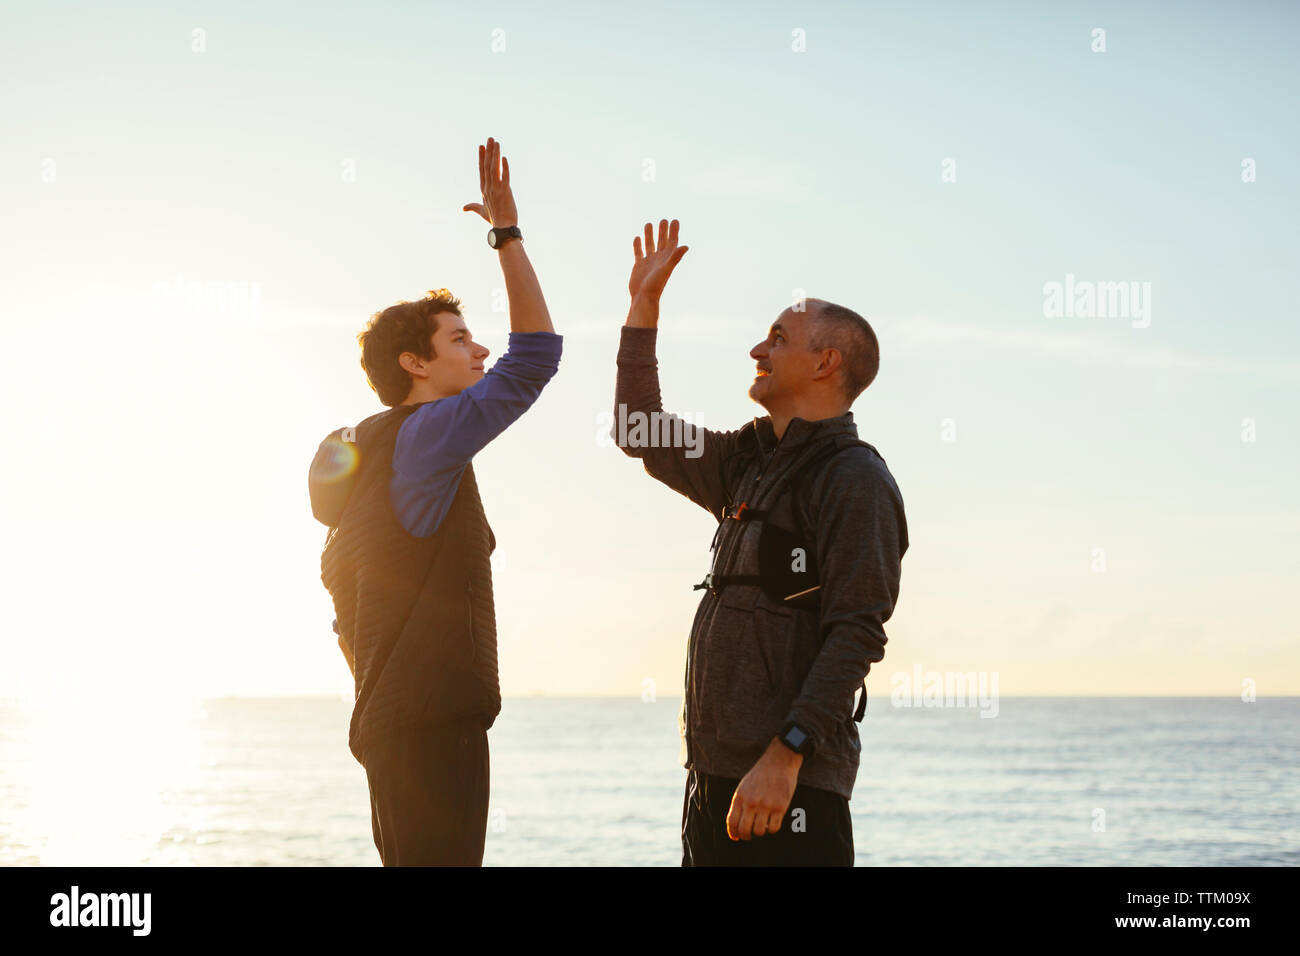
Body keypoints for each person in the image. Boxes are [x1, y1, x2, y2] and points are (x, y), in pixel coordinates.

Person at [611, 219, 908, 866]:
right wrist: (644, 310)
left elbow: (856, 633)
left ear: (826, 363)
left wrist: (786, 755)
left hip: (791, 791)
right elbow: (639, 429)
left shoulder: (854, 480)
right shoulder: (745, 462)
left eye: (778, 338)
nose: (757, 349)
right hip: (711, 780)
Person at [308, 137, 561, 866]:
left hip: (391, 725)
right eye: (460, 340)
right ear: (414, 365)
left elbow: (343, 622)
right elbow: (536, 359)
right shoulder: (427, 438)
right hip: (429, 725)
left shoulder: (375, 456)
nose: (479, 352)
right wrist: (507, 236)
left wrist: (382, 695)